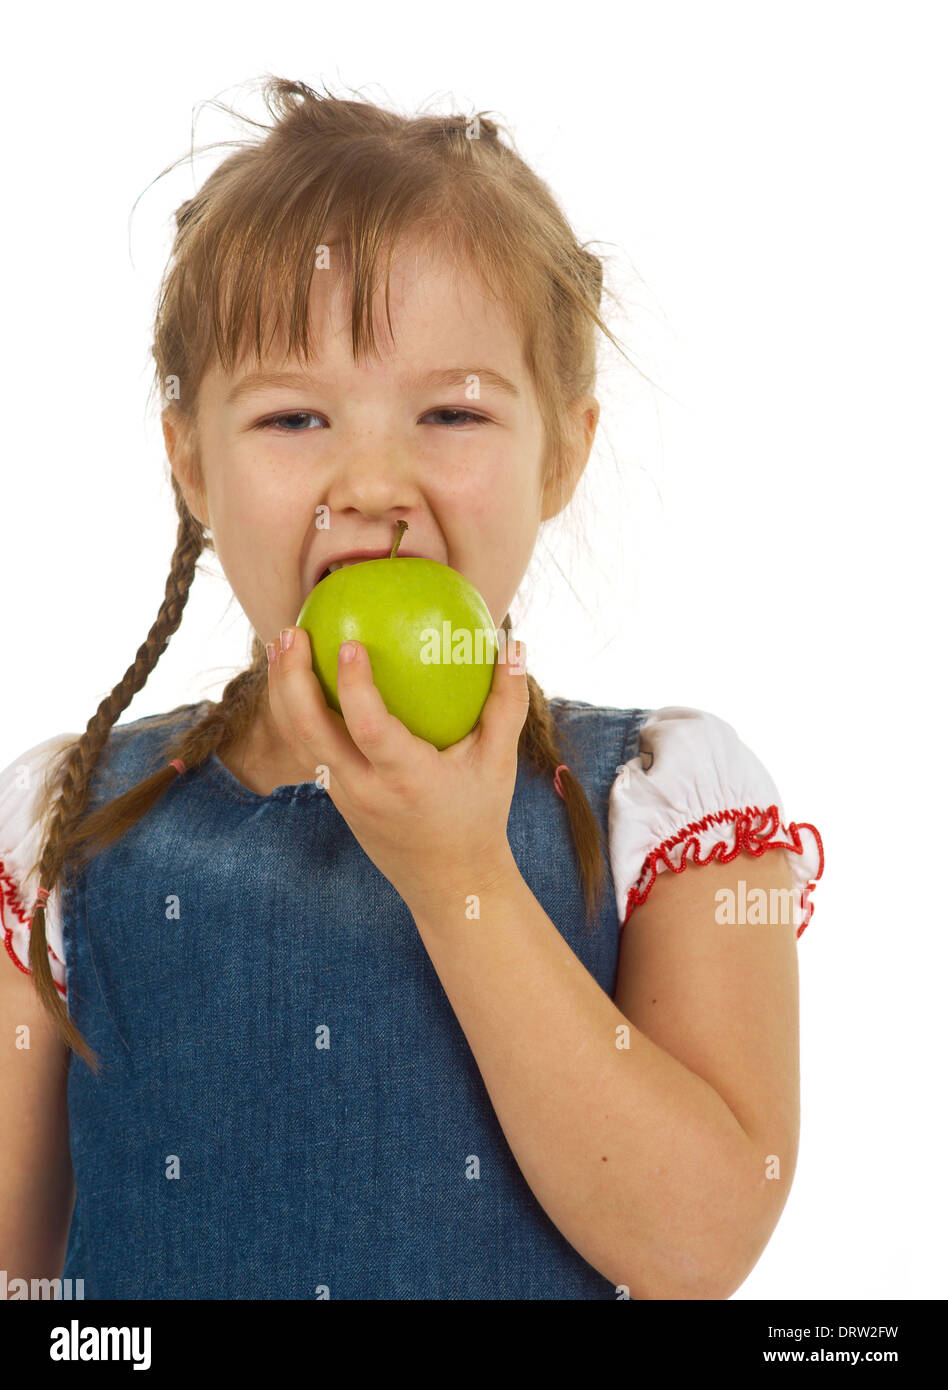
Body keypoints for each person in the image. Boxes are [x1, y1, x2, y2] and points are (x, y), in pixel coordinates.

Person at [0, 77, 823, 1301]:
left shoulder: (661, 799)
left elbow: (699, 1245)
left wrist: (462, 878)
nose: (372, 481)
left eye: (450, 411)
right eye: (291, 418)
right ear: (191, 464)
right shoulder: (71, 826)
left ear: (564, 451)